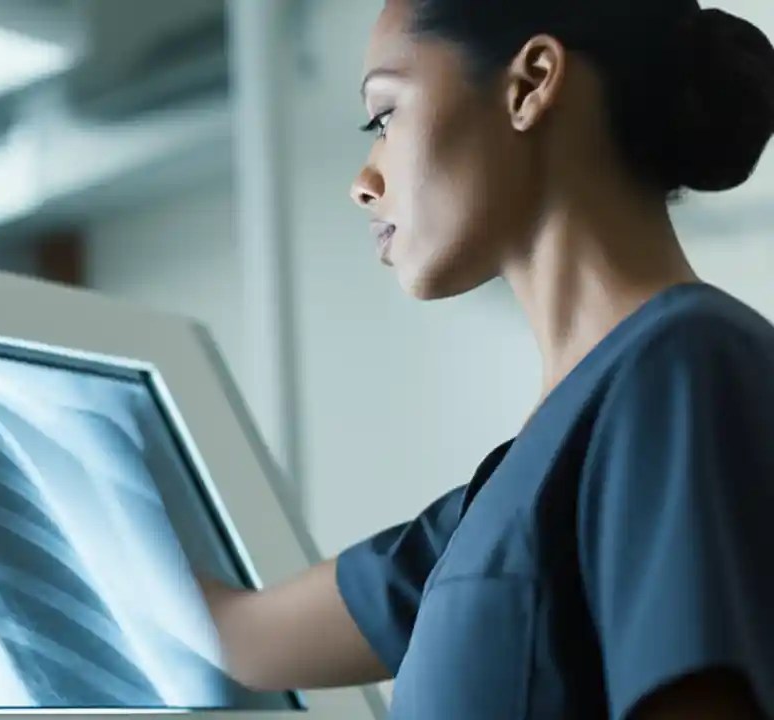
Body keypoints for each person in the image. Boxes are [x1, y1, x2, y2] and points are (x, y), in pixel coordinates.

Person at [198, 0, 774, 717]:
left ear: (531, 84)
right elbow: (239, 636)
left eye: (384, 118)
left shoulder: (683, 366)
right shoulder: (501, 502)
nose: (362, 181)